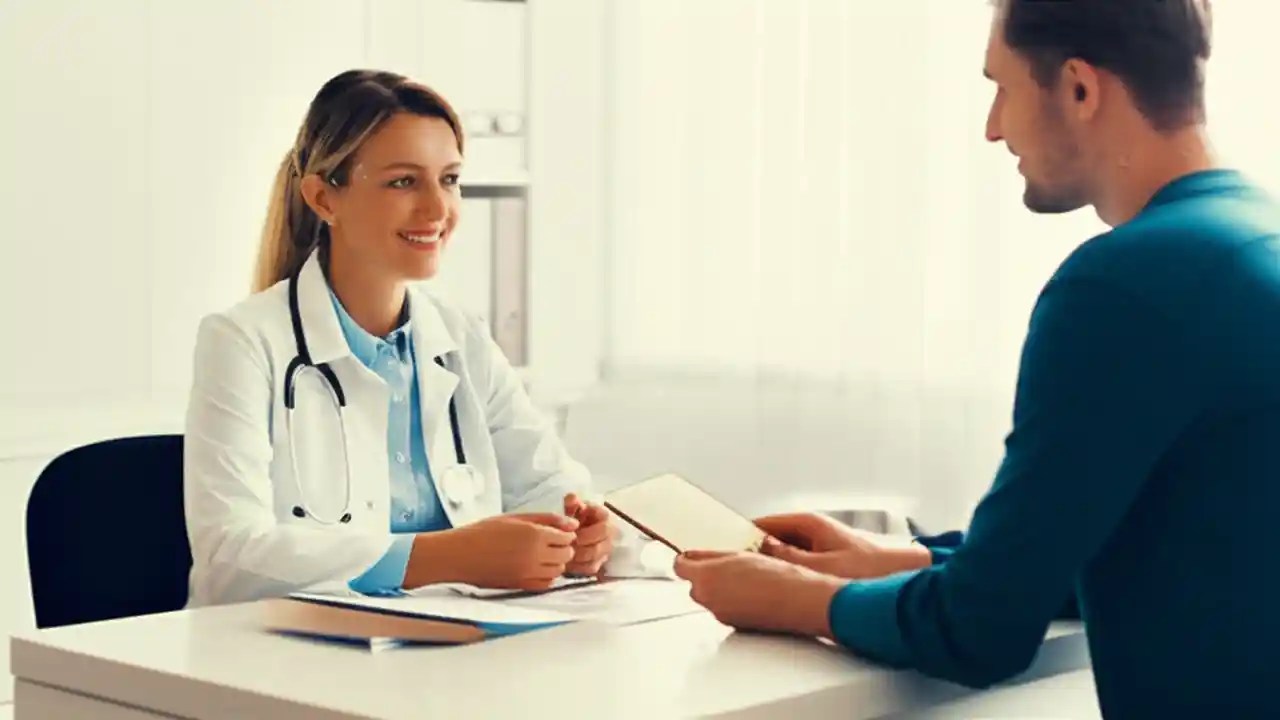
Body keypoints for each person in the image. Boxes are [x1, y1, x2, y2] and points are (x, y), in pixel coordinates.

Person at [675, 1, 1279, 716]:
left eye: (1003, 87)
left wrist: (800, 600)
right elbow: (1155, 553)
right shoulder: (1253, 237)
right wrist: (900, 558)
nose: (993, 128)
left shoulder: (1126, 285)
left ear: (1080, 89)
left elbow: (979, 629)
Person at [183, 69, 626, 607]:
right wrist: (450, 556)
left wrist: (584, 535)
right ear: (324, 198)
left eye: (450, 180)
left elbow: (549, 483)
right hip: (288, 659)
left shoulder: (462, 339)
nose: (438, 211)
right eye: (403, 182)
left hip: (451, 648)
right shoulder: (244, 342)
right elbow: (231, 556)